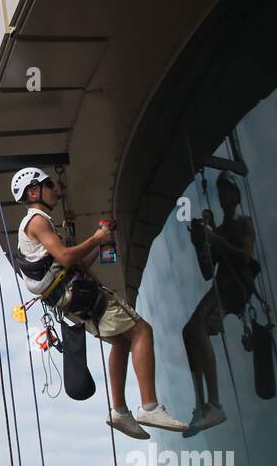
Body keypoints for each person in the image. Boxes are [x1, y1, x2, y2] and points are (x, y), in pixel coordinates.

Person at [11, 167, 186, 439]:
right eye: (49, 186)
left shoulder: (36, 224)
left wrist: (100, 244)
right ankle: (149, 405)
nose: (56, 190)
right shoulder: (37, 220)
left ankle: (119, 411)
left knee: (122, 340)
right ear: (33, 191)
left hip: (72, 296)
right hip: (80, 293)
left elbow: (75, 264)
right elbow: (67, 258)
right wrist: (95, 238)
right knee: (142, 331)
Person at [181, 172, 256, 437]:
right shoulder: (223, 229)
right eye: (221, 191)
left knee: (197, 327)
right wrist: (199, 242)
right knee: (189, 331)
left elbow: (244, 257)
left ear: (236, 196)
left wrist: (214, 239)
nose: (223, 196)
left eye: (228, 191)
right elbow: (206, 270)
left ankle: (213, 404)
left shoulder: (243, 223)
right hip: (222, 285)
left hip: (234, 287)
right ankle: (202, 405)